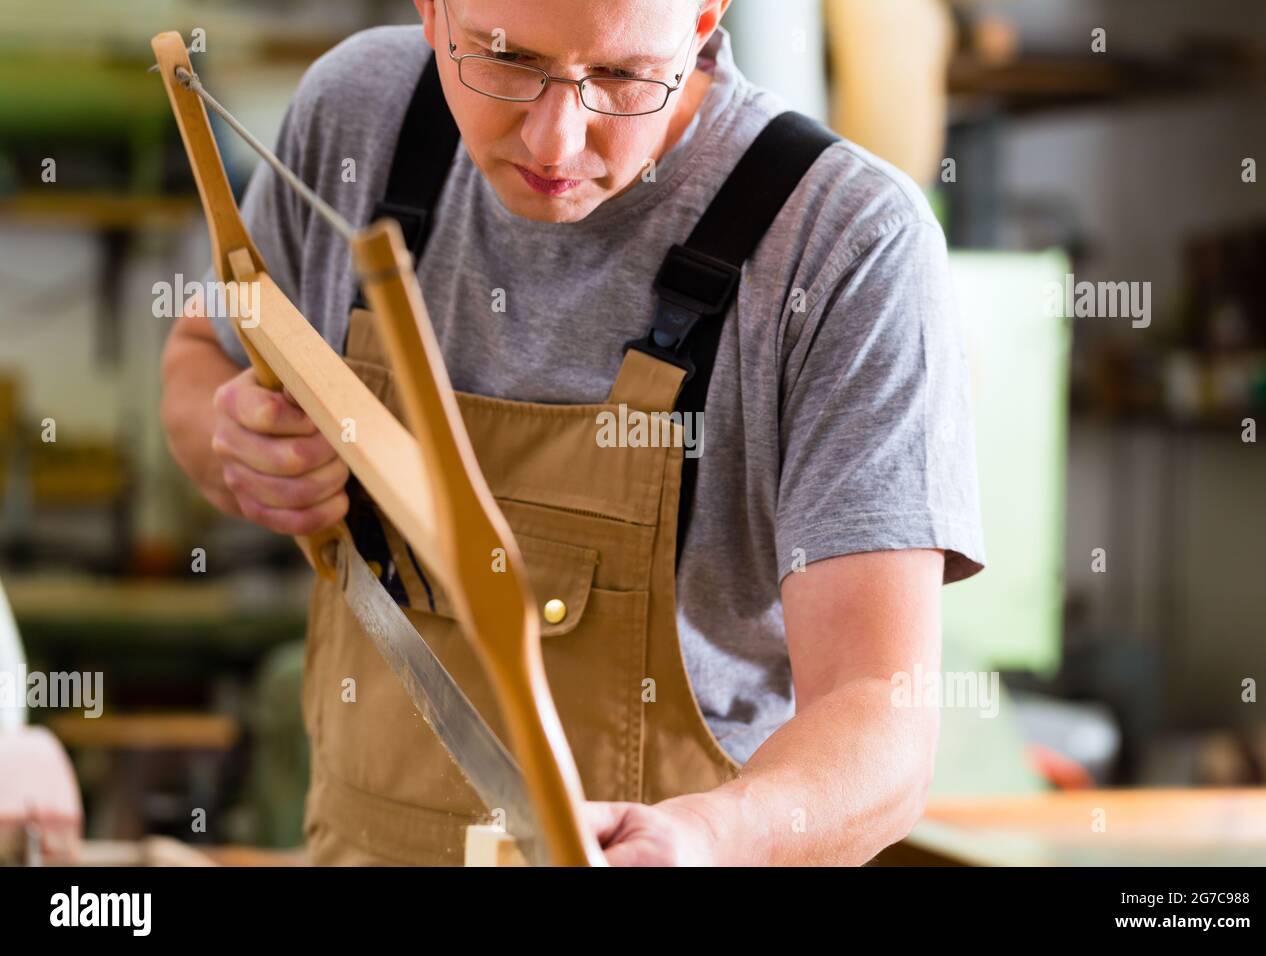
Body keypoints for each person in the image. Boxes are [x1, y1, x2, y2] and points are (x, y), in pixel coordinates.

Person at [161, 0, 986, 866]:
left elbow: (881, 717)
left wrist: (713, 834)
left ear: (707, 17)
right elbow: (199, 358)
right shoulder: (357, 113)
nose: (555, 142)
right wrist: (242, 447)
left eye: (623, 76)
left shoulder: (846, 243)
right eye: (506, 59)